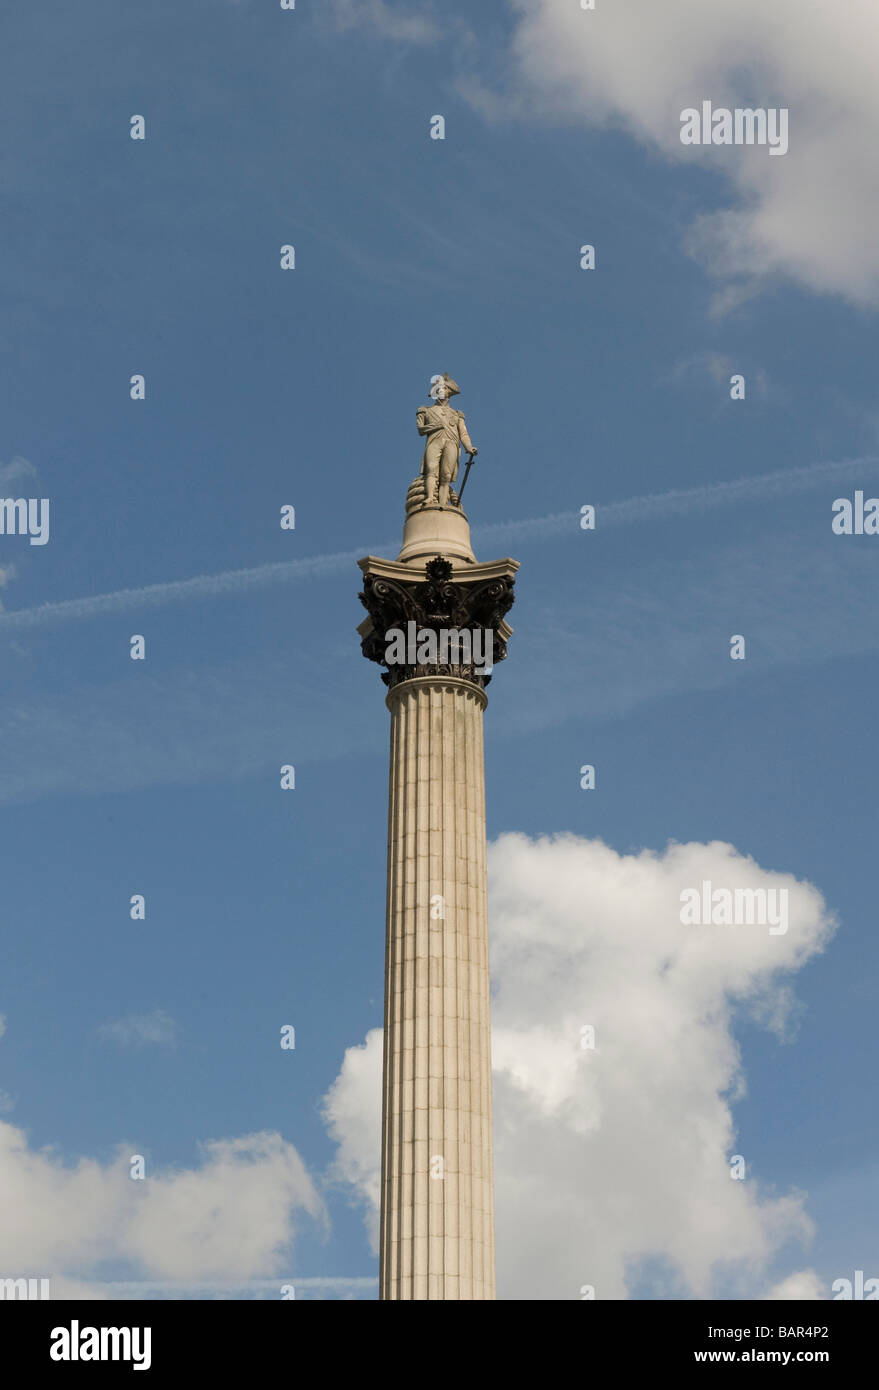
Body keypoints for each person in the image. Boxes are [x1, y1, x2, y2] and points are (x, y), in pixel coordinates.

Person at [416, 374, 477, 507]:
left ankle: (443, 503)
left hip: (452, 442)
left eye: (442, 388)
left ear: (449, 392)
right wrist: (436, 426)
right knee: (431, 469)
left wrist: (469, 447)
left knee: (446, 475)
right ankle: (430, 497)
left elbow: (464, 434)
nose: (439, 390)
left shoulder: (457, 414)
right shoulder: (426, 411)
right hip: (434, 441)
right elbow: (421, 430)